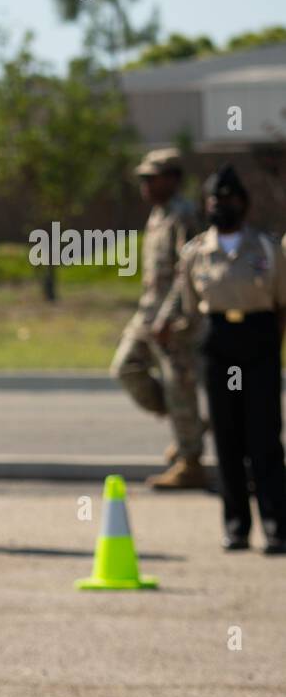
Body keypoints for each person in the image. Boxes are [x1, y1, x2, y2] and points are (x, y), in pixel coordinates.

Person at [154, 164, 286, 553]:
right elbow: (192, 308)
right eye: (214, 199)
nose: (220, 205)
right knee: (228, 440)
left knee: (264, 439)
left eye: (228, 198)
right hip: (219, 347)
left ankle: (278, 526)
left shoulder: (265, 247)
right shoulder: (196, 252)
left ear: (243, 204)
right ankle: (236, 527)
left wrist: (267, 346)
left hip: (258, 344)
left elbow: (282, 304)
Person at [111, 148, 205, 489]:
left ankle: (190, 462)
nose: (145, 185)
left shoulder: (185, 216)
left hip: (174, 321)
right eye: (143, 179)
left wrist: (168, 317)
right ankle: (190, 426)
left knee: (179, 386)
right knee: (126, 368)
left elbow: (188, 273)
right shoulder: (158, 215)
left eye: (152, 178)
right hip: (147, 315)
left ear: (173, 179)